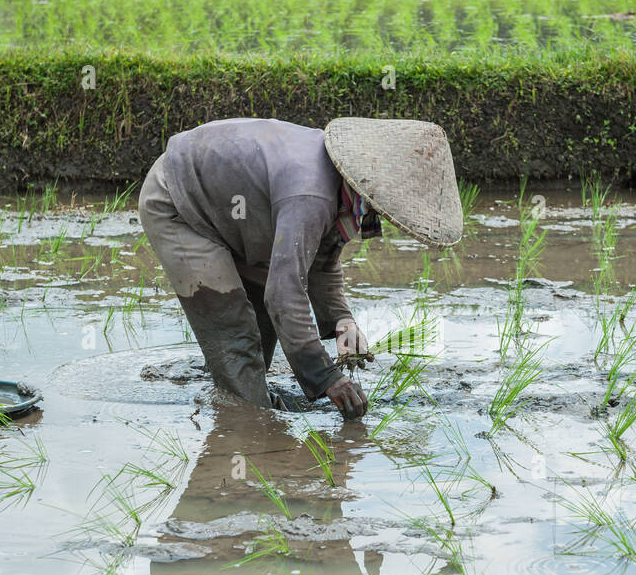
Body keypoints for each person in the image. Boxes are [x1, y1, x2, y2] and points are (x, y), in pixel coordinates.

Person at [137, 116, 463, 418]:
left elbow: (321, 261)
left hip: (233, 214)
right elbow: (285, 294)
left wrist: (341, 321)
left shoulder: (341, 189)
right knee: (234, 329)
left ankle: (234, 393)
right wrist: (326, 377)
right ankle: (244, 427)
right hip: (179, 202)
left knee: (261, 329)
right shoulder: (310, 194)